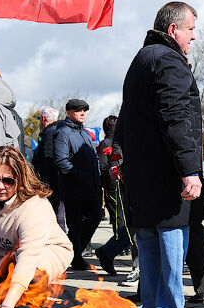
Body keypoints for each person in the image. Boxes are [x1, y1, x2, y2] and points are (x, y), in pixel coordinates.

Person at [118, 1, 203, 308]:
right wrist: (189, 170)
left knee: (151, 243)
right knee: (170, 243)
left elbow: (127, 117)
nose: (193, 37)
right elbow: (176, 119)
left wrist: (122, 158)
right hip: (166, 174)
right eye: (191, 29)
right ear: (174, 30)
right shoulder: (169, 61)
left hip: (142, 174)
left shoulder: (141, 59)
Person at [0, 146, 73, 308]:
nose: (0, 186)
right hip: (6, 253)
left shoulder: (33, 206)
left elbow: (28, 258)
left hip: (45, 251)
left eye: (8, 180)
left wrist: (8, 305)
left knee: (34, 273)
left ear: (19, 180)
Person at [52, 99, 103, 271]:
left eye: (84, 110)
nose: (82, 113)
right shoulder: (63, 133)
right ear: (68, 112)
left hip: (90, 188)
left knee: (96, 216)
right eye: (78, 110)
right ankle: (75, 257)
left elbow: (93, 159)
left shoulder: (85, 133)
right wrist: (79, 176)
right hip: (74, 188)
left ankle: (75, 253)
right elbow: (61, 160)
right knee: (75, 225)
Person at [94, 114, 130, 276]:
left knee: (129, 221)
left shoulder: (113, 142)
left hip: (121, 183)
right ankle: (110, 250)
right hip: (115, 185)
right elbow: (103, 165)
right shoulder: (107, 144)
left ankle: (109, 250)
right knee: (122, 219)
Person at [30, 106, 66, 231]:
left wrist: (43, 183)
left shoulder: (50, 133)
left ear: (43, 118)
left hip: (51, 183)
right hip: (60, 180)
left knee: (55, 215)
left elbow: (48, 160)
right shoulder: (62, 129)